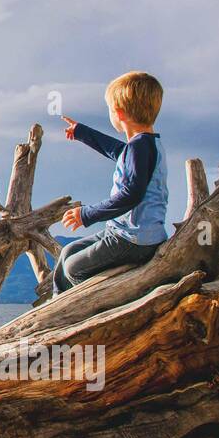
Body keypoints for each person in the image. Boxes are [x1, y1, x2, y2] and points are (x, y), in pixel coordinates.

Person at [54, 71, 169, 295]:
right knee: (67, 252)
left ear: (118, 113)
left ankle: (85, 309)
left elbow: (131, 195)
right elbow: (117, 151)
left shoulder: (139, 147)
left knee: (73, 269)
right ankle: (55, 302)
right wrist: (82, 132)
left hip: (134, 240)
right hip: (122, 232)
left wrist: (86, 214)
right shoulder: (142, 145)